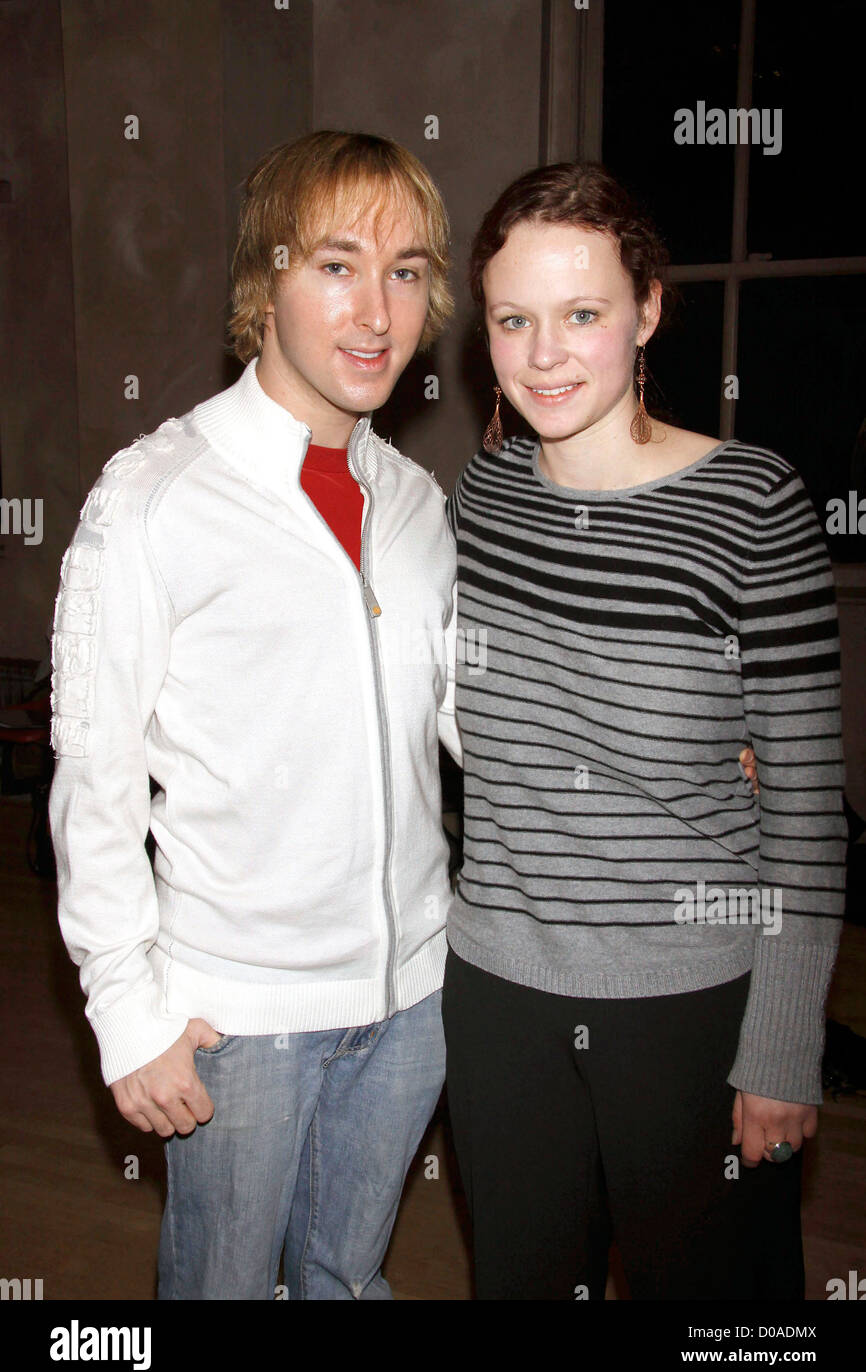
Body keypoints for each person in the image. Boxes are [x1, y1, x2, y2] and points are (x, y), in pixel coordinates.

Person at [48, 130, 463, 1301]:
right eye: (337, 264)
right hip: (238, 1016)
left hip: (413, 1001)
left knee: (345, 1281)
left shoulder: (416, 502)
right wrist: (127, 1013)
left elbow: (464, 716)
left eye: (407, 268)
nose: (377, 309)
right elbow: (94, 771)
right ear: (262, 282)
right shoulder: (156, 494)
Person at [440, 161, 846, 1300]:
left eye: (583, 314)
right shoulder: (485, 502)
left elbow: (807, 808)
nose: (545, 353)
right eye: (514, 320)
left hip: (688, 1008)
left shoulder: (753, 505)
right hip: (498, 996)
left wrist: (779, 1049)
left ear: (648, 310)